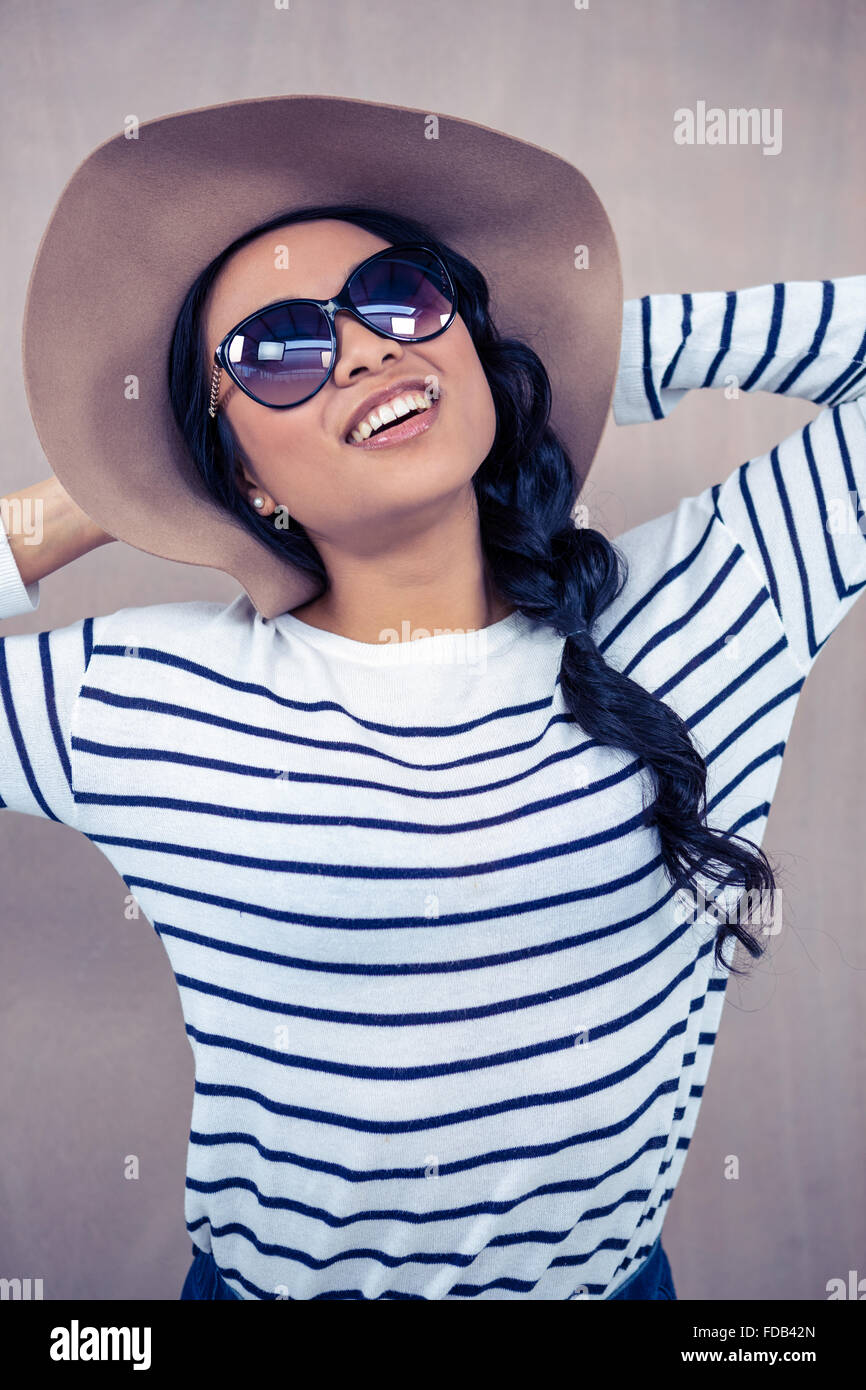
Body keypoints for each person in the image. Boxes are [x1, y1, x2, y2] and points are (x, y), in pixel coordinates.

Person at [2, 96, 864, 1301]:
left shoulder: (711, 599)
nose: (361, 348)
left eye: (400, 298)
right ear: (239, 468)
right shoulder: (136, 700)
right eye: (281, 349)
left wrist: (571, 353)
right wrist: (111, 482)